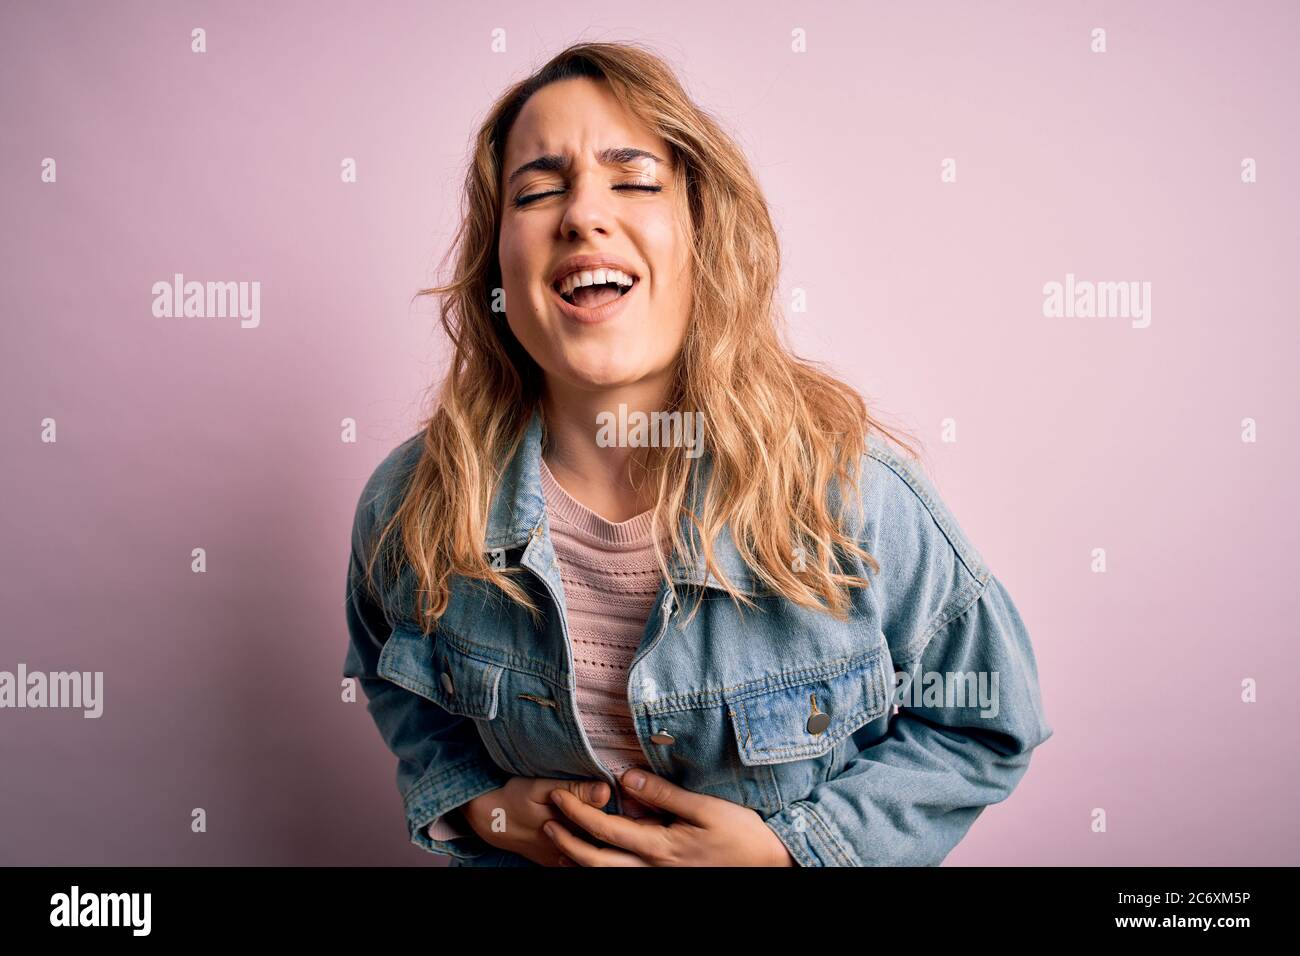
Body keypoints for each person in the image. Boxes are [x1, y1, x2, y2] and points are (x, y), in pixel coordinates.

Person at [343, 40, 1052, 867]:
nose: (581, 215)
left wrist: (792, 855)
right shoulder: (410, 508)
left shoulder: (853, 499)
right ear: (498, 258)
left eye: (634, 179)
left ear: (700, 234)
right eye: (537, 190)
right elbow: (394, 682)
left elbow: (988, 720)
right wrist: (480, 808)